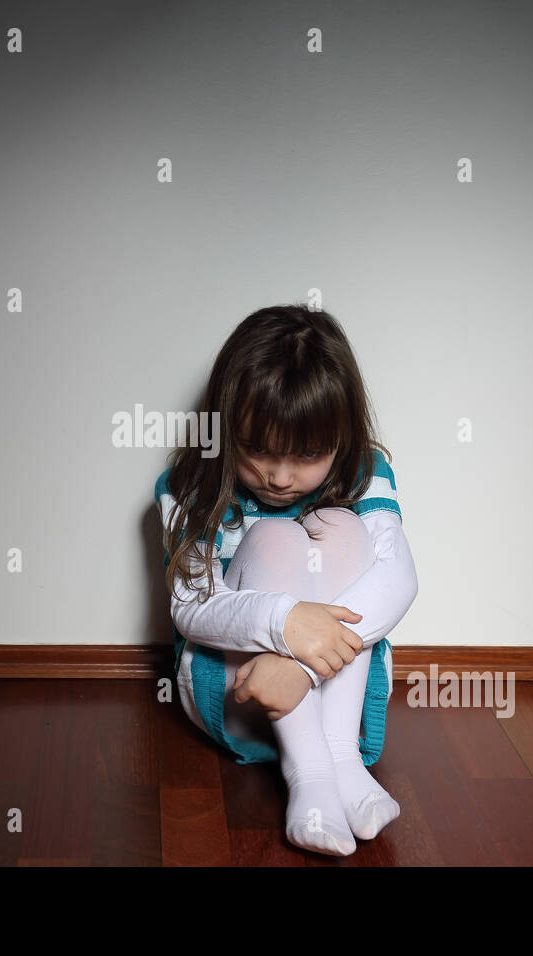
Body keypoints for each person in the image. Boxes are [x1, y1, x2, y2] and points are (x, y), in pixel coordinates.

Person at [154, 304, 419, 856]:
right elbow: (191, 606)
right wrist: (285, 622)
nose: (279, 477)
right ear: (227, 428)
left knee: (344, 530)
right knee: (274, 538)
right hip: (238, 694)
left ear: (342, 440)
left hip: (332, 695)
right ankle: (312, 776)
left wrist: (295, 663)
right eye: (258, 451)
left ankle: (343, 763)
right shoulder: (192, 485)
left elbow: (398, 579)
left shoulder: (365, 473)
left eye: (306, 456)